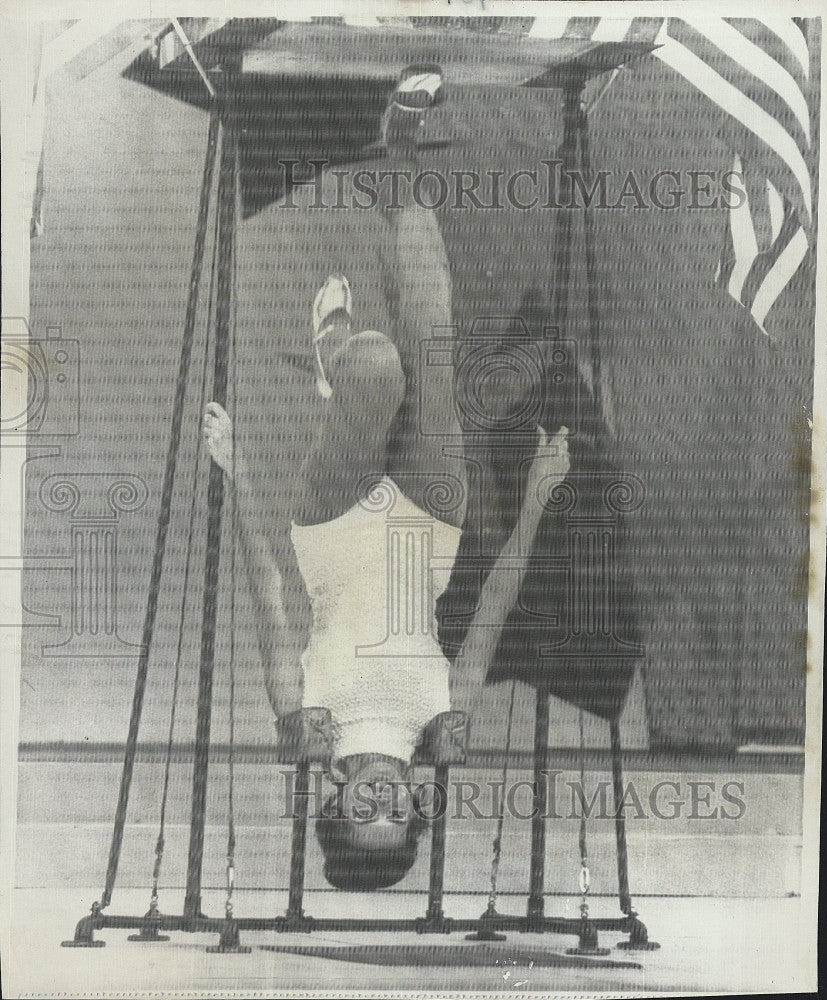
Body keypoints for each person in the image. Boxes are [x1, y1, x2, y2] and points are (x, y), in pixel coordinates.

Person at [202, 66, 571, 890]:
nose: (380, 797)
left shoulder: (307, 725)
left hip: (333, 526)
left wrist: (236, 472)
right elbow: (493, 607)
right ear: (414, 806)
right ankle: (401, 146)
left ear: (333, 803)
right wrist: (537, 499)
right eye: (394, 812)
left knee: (373, 367)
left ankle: (331, 344)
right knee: (432, 319)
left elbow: (270, 598)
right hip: (428, 522)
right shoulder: (445, 729)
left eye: (361, 811)